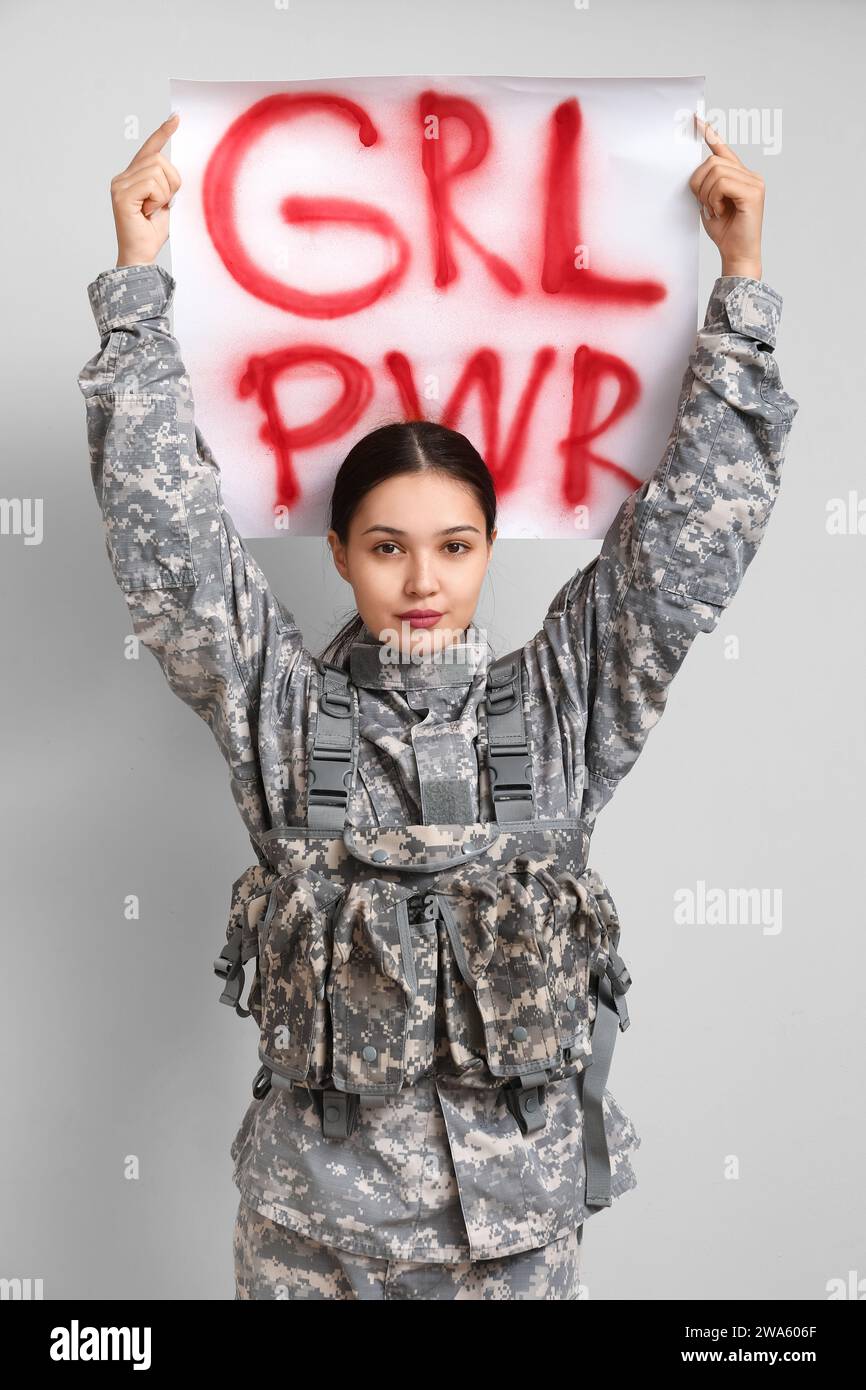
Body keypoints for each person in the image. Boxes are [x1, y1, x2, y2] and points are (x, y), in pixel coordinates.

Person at [78, 111, 799, 1301]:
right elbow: (171, 549)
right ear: (341, 554)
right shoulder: (282, 706)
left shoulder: (559, 703)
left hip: (513, 1242)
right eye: (387, 546)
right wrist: (137, 289)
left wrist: (741, 284)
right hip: (315, 1236)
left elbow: (686, 549)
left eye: (454, 545)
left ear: (486, 550)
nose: (421, 580)